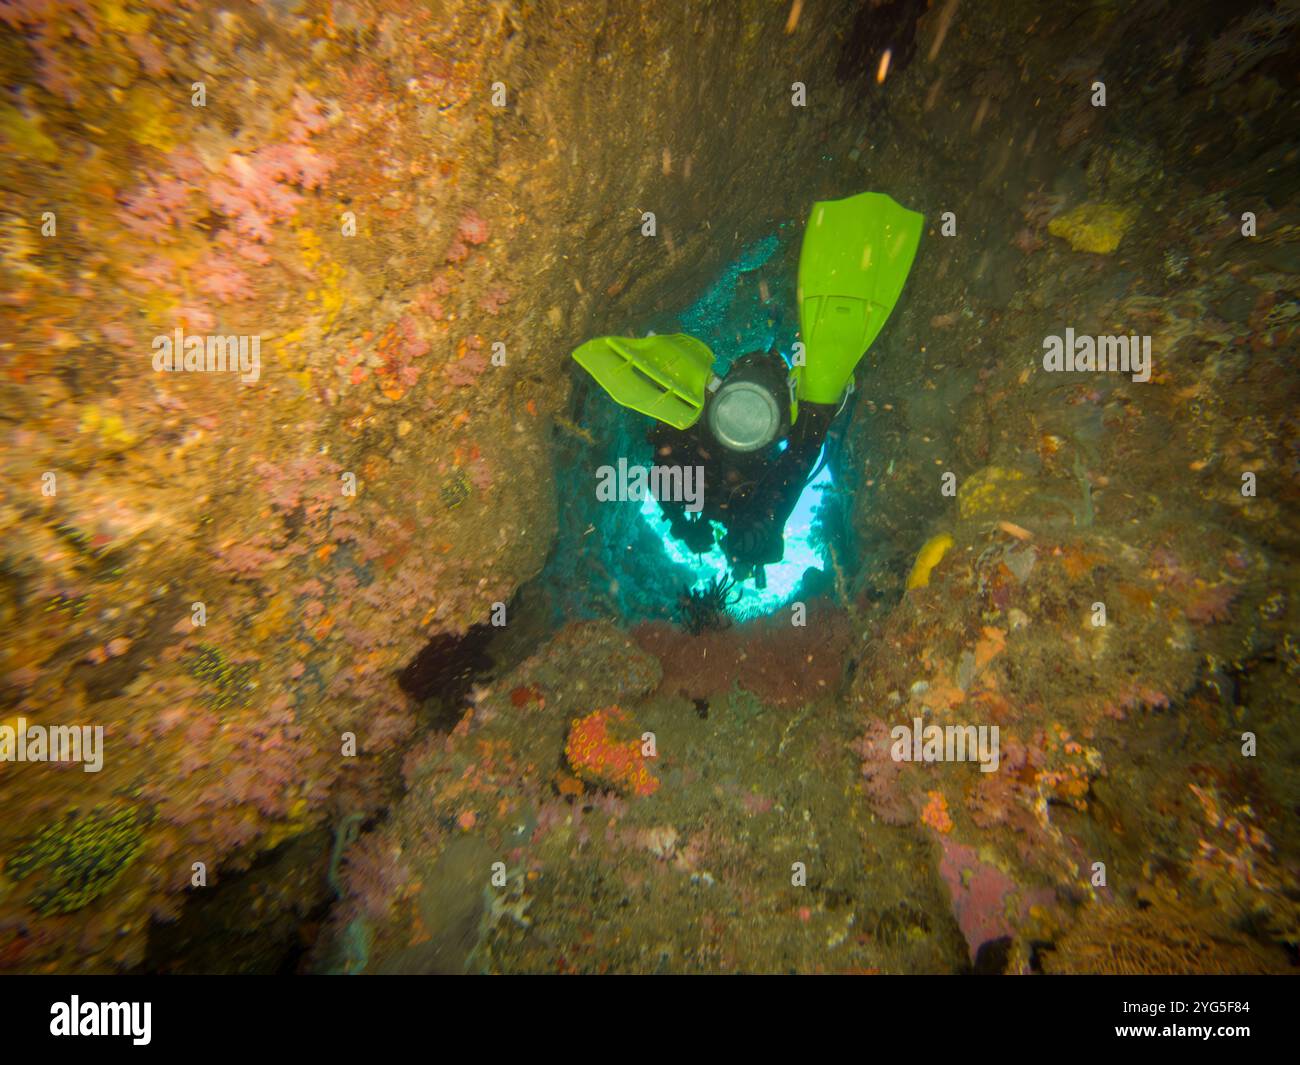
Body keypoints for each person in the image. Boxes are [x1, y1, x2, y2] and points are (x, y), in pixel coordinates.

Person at [572, 191, 922, 587]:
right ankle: (787, 352)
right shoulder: (736, 495)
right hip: (738, 425)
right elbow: (794, 463)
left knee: (797, 404)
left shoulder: (722, 492)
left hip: (737, 426)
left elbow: (793, 463)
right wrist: (720, 528)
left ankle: (783, 348)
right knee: (799, 402)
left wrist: (692, 527)